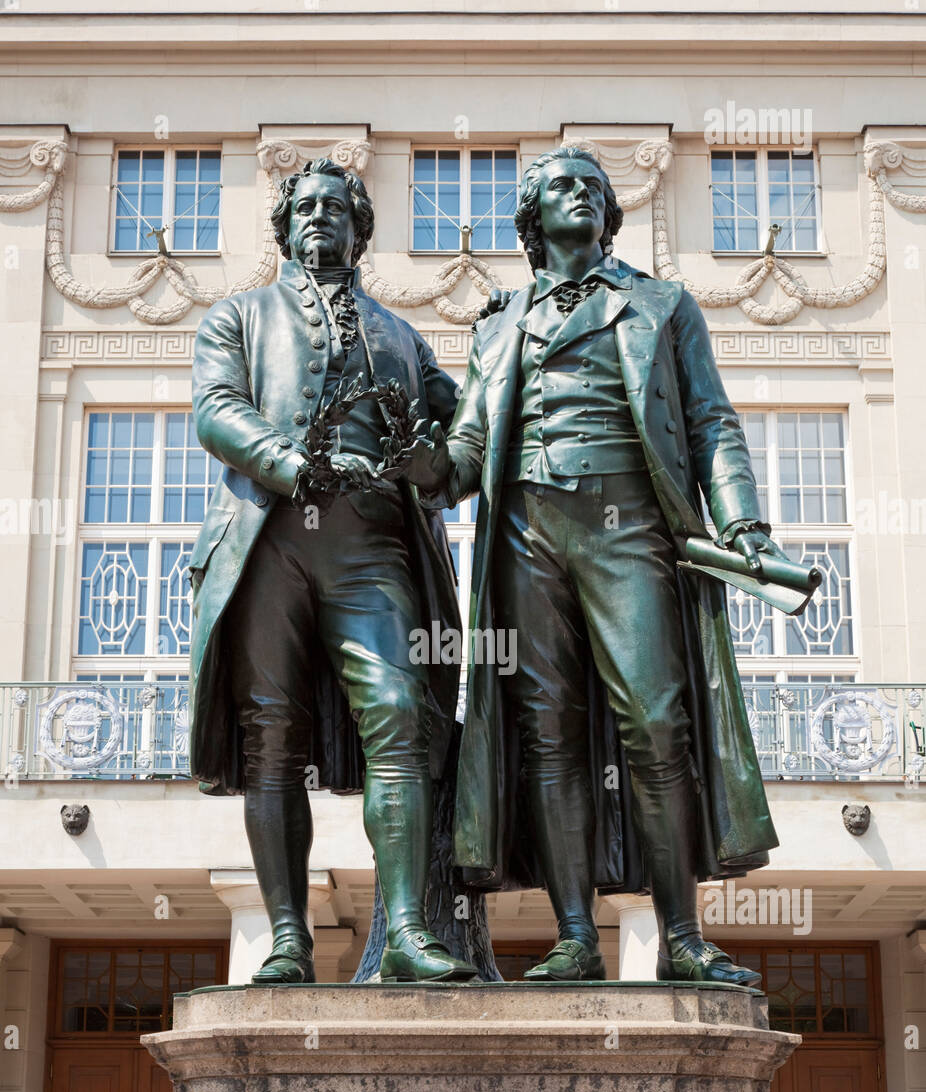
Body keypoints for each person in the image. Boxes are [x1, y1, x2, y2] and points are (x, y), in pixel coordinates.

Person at [416, 146, 788, 985]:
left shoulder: (661, 304)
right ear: (532, 217)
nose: (580, 195)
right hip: (525, 531)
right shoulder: (499, 321)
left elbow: (711, 423)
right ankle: (575, 935)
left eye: (593, 187)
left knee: (657, 726)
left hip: (629, 529)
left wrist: (744, 523)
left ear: (609, 214)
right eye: (561, 187)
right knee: (548, 737)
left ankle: (684, 940)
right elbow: (470, 445)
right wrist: (421, 468)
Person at [189, 157, 476, 985]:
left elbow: (465, 439)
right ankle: (287, 939)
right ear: (285, 226)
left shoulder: (403, 334)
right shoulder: (237, 315)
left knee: (400, 716)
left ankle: (409, 937)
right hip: (270, 537)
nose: (319, 217)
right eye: (305, 207)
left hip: (372, 544)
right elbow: (216, 407)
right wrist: (282, 458)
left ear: (360, 228)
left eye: (336, 208)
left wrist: (435, 465)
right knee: (270, 739)